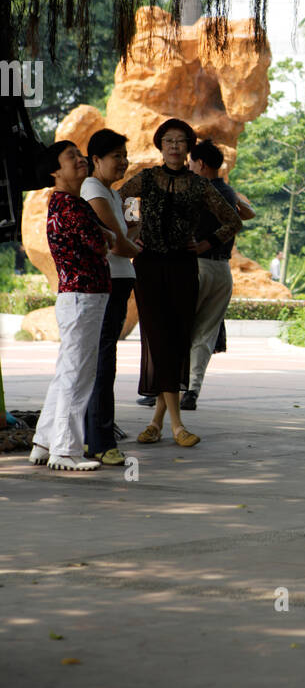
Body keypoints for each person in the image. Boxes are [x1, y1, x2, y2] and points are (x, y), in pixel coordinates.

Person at [119, 119, 242, 448]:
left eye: (181, 141)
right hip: (148, 267)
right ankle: (175, 425)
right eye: (169, 141)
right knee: (159, 340)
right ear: (160, 146)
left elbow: (233, 220)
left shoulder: (200, 186)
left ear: (189, 148)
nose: (174, 146)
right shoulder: (146, 178)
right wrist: (131, 235)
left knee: (175, 342)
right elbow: (114, 199)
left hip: (184, 268)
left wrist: (204, 244)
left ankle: (158, 422)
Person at [29, 141, 111, 472]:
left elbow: (105, 239)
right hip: (83, 296)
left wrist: (106, 235)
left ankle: (44, 442)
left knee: (68, 372)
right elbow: (103, 244)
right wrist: (107, 235)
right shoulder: (71, 206)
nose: (80, 160)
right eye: (71, 157)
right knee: (78, 375)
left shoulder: (69, 203)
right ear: (55, 171)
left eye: (80, 155)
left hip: (77, 297)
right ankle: (65, 450)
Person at [181, 138, 255, 410]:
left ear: (200, 164)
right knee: (206, 333)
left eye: (191, 162)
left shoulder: (195, 191)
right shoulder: (228, 191)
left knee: (180, 328)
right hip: (222, 270)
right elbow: (248, 215)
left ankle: (165, 388)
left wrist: (203, 242)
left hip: (195, 266)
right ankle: (192, 390)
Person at [81, 130, 141, 465]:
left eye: (124, 155)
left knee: (105, 359)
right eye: (116, 155)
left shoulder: (113, 194)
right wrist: (135, 248)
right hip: (108, 282)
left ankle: (97, 436)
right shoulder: (92, 189)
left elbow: (126, 236)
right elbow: (117, 244)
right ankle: (99, 441)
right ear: (97, 160)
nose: (123, 162)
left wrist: (134, 224)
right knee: (103, 361)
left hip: (120, 281)